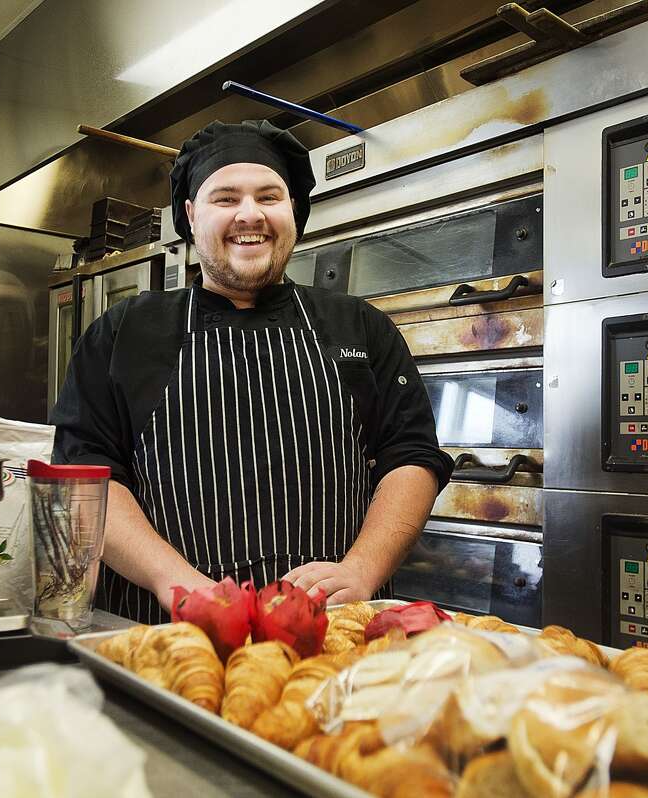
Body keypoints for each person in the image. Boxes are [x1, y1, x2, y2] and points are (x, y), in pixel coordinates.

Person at [51, 120, 453, 623]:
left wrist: (364, 568)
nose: (250, 214)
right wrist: (176, 583)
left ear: (294, 214)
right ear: (191, 215)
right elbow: (86, 475)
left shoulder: (360, 327)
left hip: (332, 634)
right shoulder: (123, 332)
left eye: (269, 197)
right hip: (170, 635)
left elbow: (410, 456)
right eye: (225, 198)